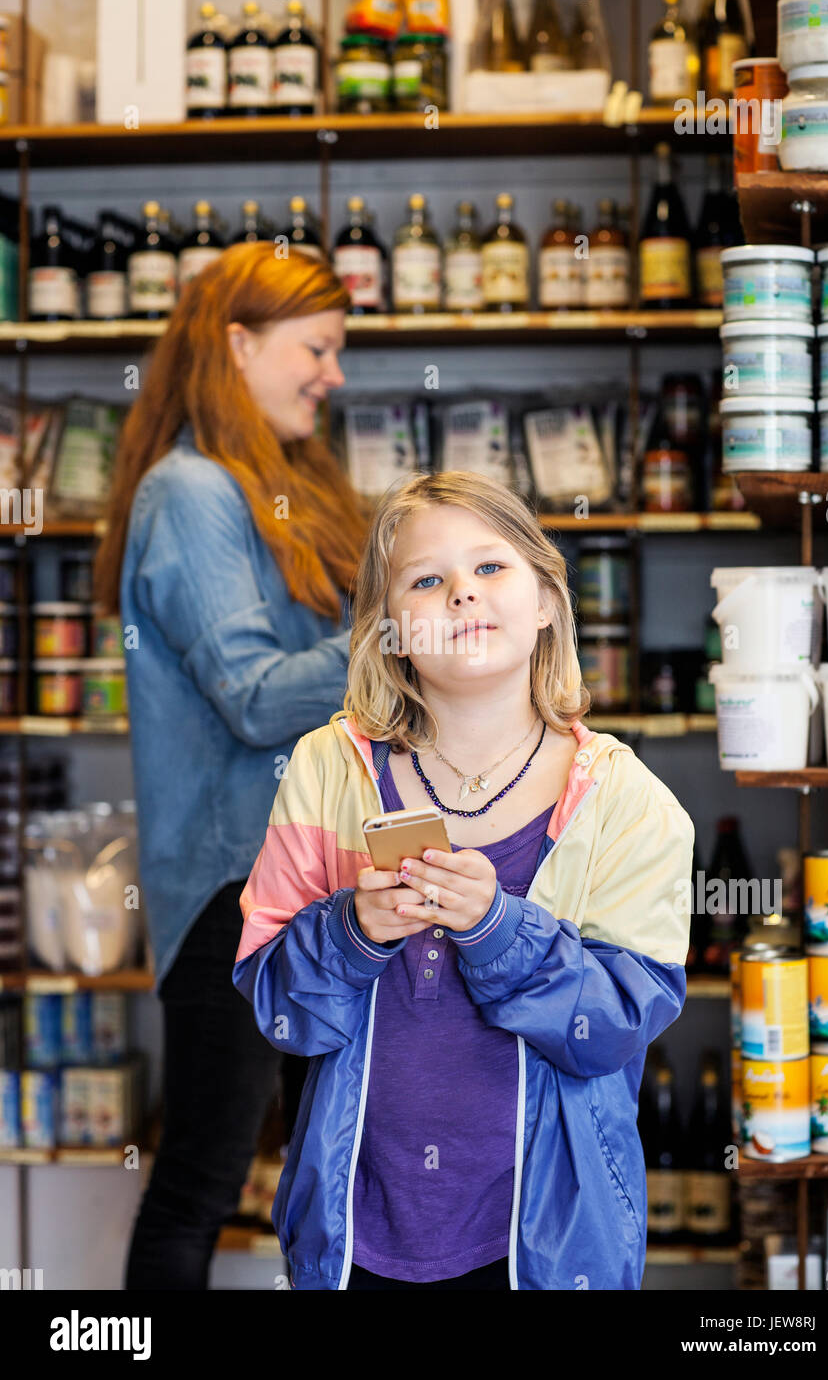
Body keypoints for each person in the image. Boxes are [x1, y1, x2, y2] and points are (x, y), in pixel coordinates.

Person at [232, 468, 694, 1290]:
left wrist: (500, 932)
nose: (461, 595)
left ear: (547, 598)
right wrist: (351, 932)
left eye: (491, 567)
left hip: (545, 1245)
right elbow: (278, 1009)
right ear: (389, 632)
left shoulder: (629, 803)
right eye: (425, 579)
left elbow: (617, 1025)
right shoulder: (325, 770)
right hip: (355, 1234)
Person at [92, 243, 369, 1290]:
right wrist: (391, 637)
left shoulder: (277, 485)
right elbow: (253, 698)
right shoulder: (193, 493)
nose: (332, 375)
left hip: (306, 881)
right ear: (238, 345)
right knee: (201, 1182)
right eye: (317, 349)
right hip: (229, 893)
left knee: (323, 1169)